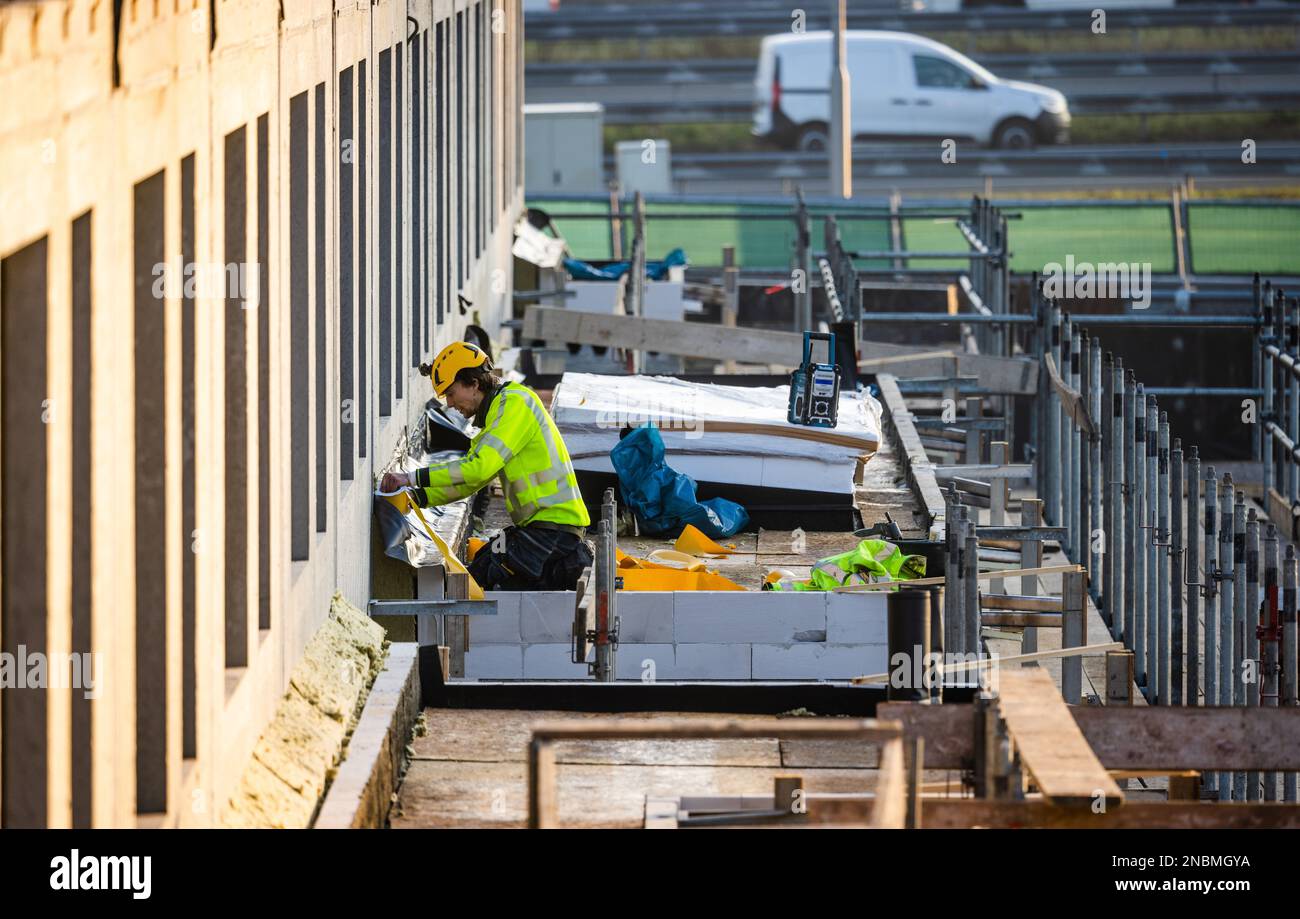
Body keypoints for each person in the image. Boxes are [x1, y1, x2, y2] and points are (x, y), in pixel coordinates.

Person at [380, 341, 593, 590]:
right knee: (477, 572)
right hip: (547, 534)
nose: (449, 403)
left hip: (553, 535)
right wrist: (415, 497)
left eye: (450, 392)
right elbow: (470, 482)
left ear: (473, 384)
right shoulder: (499, 415)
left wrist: (411, 478)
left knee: (477, 582)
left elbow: (477, 468)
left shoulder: (515, 405)